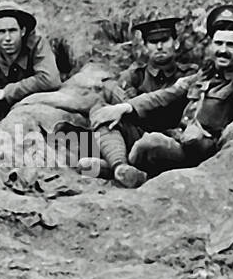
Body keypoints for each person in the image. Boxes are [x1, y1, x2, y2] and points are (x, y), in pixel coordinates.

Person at [90, 5, 233, 175]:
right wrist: (124, 108)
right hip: (176, 136)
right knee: (104, 115)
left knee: (150, 143)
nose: (223, 50)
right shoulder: (204, 74)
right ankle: (120, 167)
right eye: (218, 43)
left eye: (230, 45)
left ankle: (114, 168)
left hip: (197, 150)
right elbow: (168, 94)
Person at [80, 15, 190, 187]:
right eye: (153, 42)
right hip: (136, 136)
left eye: (164, 40)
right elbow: (110, 90)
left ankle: (110, 169)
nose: (159, 46)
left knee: (151, 144)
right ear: (145, 47)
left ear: (175, 43)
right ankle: (120, 167)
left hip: (171, 141)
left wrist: (127, 106)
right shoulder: (134, 75)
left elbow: (167, 97)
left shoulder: (188, 74)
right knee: (102, 112)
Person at [0, 2, 61, 121]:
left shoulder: (37, 46)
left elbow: (51, 80)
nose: (7, 38)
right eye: (1, 32)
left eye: (12, 31)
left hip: (42, 116)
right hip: (3, 125)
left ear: (22, 31)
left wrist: (7, 92)